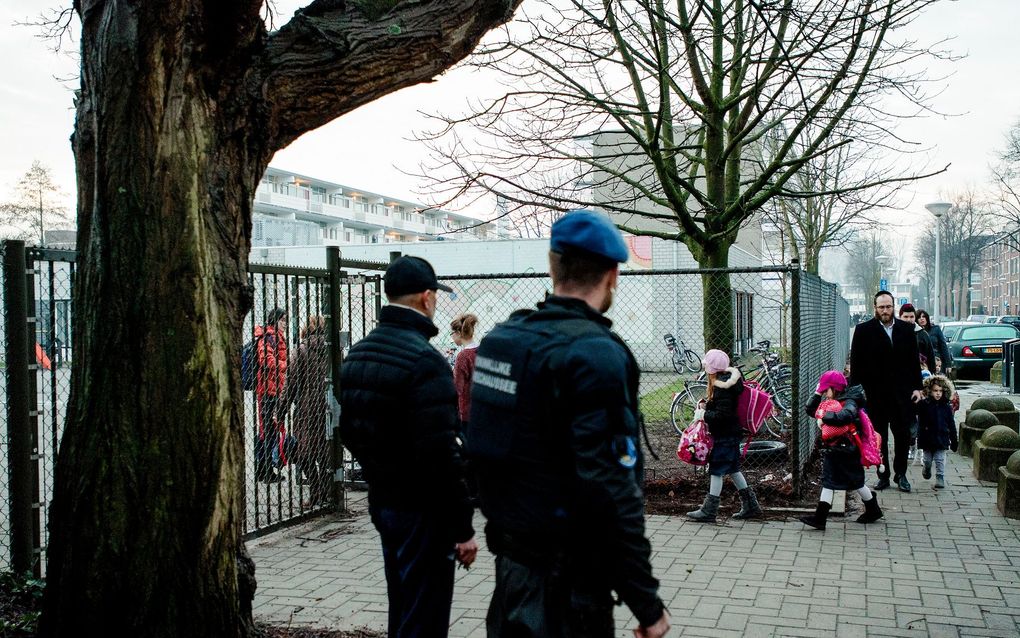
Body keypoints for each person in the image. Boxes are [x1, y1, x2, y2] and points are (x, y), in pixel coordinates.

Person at [468, 210, 670, 638]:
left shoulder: (503, 341)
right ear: (613, 274)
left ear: (551, 265)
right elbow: (612, 490)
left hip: (511, 578)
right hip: (567, 595)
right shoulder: (594, 355)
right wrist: (646, 604)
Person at [339, 255, 477, 638]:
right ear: (426, 297)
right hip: (425, 510)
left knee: (402, 602)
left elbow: (349, 430)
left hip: (384, 501)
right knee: (425, 615)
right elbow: (443, 455)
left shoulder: (360, 354)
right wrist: (463, 526)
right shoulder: (425, 362)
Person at [849, 291, 923, 493]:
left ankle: (901, 474)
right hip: (875, 395)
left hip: (902, 394)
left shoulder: (907, 330)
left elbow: (913, 362)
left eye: (888, 306)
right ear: (875, 308)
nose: (885, 310)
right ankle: (883, 476)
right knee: (879, 437)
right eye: (881, 307)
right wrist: (857, 393)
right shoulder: (864, 330)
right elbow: (856, 364)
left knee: (903, 436)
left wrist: (917, 387)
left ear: (893, 306)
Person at [686, 350, 762, 522]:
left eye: (706, 365)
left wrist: (703, 415)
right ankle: (751, 505)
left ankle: (709, 511)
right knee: (733, 469)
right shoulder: (728, 382)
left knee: (717, 470)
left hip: (725, 435)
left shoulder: (721, 388)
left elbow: (723, 415)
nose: (705, 368)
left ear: (712, 368)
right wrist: (708, 407)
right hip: (731, 434)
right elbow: (724, 409)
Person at [800, 371, 883, 530]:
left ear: (835, 388)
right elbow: (811, 410)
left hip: (844, 449)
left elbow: (845, 416)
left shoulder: (849, 402)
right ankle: (873, 509)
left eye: (826, 390)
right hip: (841, 449)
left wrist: (823, 416)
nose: (825, 394)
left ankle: (820, 518)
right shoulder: (838, 400)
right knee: (851, 481)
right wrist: (817, 393)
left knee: (835, 481)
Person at [277, 315, 330, 507]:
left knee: (303, 451)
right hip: (329, 405)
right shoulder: (332, 349)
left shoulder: (300, 350)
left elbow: (290, 384)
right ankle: (326, 491)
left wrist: (280, 410)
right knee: (325, 450)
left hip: (307, 408)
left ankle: (316, 489)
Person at [255, 307, 288, 483]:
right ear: (275, 321)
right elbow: (265, 360)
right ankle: (266, 472)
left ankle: (263, 470)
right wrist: (285, 364)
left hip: (275, 389)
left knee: (269, 431)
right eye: (282, 320)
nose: (285, 324)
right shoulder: (268, 337)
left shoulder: (276, 337)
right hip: (268, 391)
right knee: (269, 431)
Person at [917, 374, 958, 489]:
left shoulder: (946, 407)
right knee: (927, 459)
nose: (938, 393)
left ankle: (940, 477)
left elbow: (951, 424)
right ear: (930, 391)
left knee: (940, 459)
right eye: (935, 390)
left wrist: (954, 440)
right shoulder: (924, 405)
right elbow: (918, 420)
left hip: (942, 437)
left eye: (940, 390)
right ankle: (927, 468)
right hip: (927, 438)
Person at [450, 313, 479, 433]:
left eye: (451, 334)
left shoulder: (463, 356)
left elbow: (457, 387)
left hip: (466, 412)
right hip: (481, 409)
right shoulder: (482, 350)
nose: (451, 337)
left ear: (458, 333)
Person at [917, 309, 952, 374]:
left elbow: (943, 347)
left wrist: (948, 364)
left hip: (937, 361)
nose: (922, 319)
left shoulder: (936, 329)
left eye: (923, 317)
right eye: (919, 317)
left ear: (927, 318)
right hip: (923, 363)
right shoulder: (916, 332)